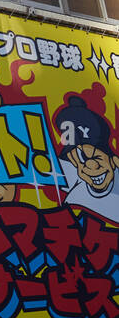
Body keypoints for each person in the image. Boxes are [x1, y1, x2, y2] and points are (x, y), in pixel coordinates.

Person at [53, 95, 119, 224]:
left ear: (113, 160)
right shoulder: (73, 180)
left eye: (96, 157)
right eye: (81, 160)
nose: (91, 166)